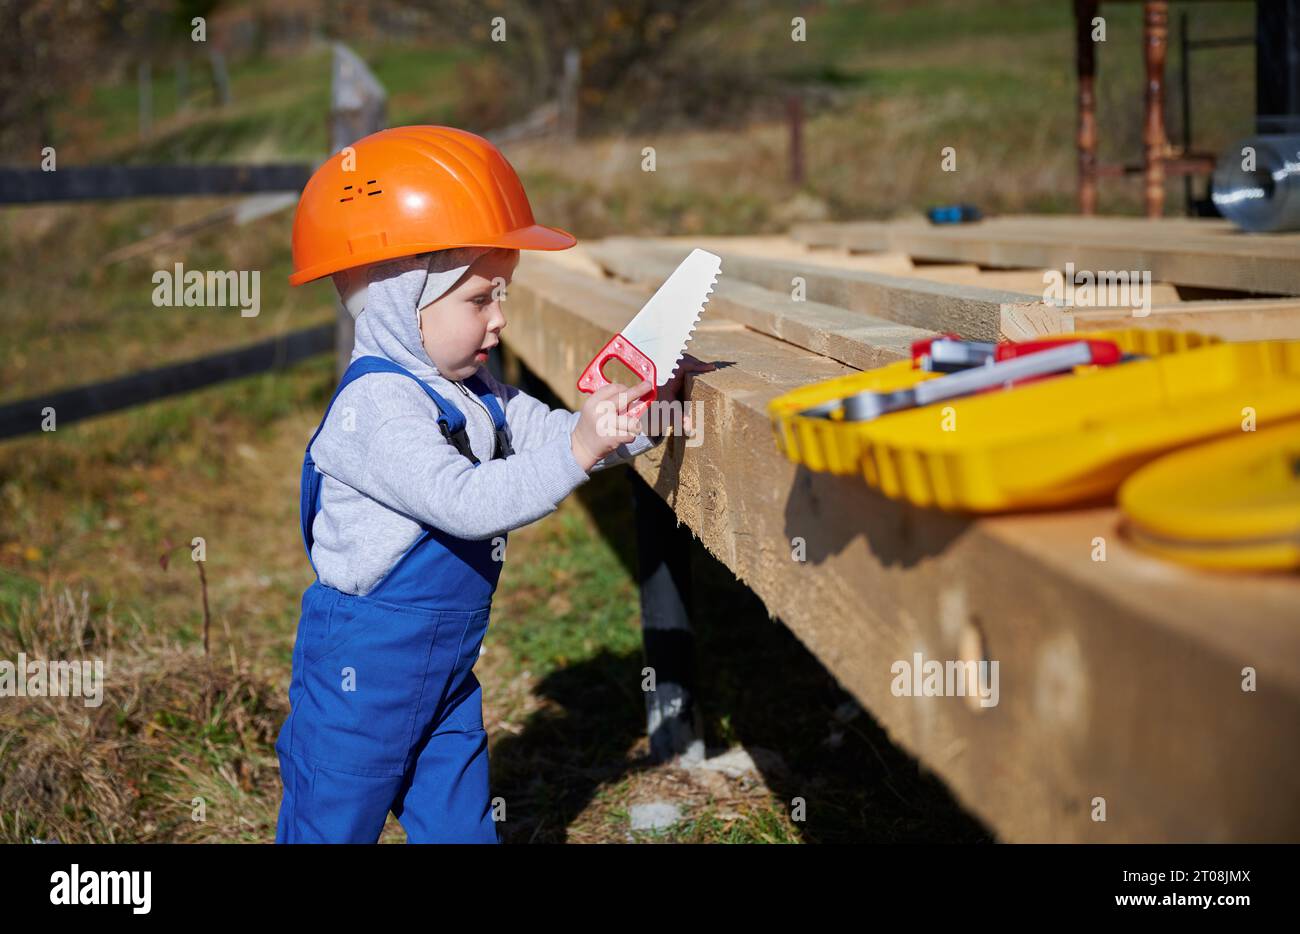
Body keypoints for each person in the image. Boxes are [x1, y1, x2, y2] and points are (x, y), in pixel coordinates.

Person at [273, 125, 712, 843]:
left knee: (461, 823)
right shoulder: (377, 410)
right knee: (332, 823)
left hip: (444, 671)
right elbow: (466, 503)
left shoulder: (477, 392)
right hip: (360, 673)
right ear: (396, 301)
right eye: (480, 299)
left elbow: (559, 438)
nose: (500, 319)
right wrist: (576, 445)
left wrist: (635, 420)